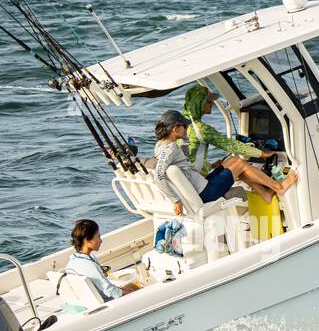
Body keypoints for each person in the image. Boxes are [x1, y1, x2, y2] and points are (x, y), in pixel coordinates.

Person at [153, 110, 297, 217]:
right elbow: (158, 176)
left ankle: (265, 194)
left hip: (201, 184)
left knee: (233, 161)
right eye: (184, 126)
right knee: (240, 163)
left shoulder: (160, 145)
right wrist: (175, 200)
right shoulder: (169, 148)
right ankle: (278, 186)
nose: (186, 128)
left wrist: (211, 166)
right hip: (206, 192)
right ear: (175, 129)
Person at [182, 84, 275, 178]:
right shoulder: (201, 129)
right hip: (200, 180)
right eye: (209, 101)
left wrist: (211, 166)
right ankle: (276, 187)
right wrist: (261, 153)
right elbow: (230, 145)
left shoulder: (183, 124)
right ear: (199, 103)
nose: (212, 104)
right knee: (240, 163)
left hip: (191, 177)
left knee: (235, 160)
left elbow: (191, 156)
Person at [66, 219, 140, 300]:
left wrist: (122, 289)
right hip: (108, 301)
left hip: (93, 299)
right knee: (138, 287)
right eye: (98, 237)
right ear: (87, 240)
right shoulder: (90, 266)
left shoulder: (71, 263)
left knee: (132, 286)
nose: (101, 241)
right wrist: (126, 292)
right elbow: (109, 290)